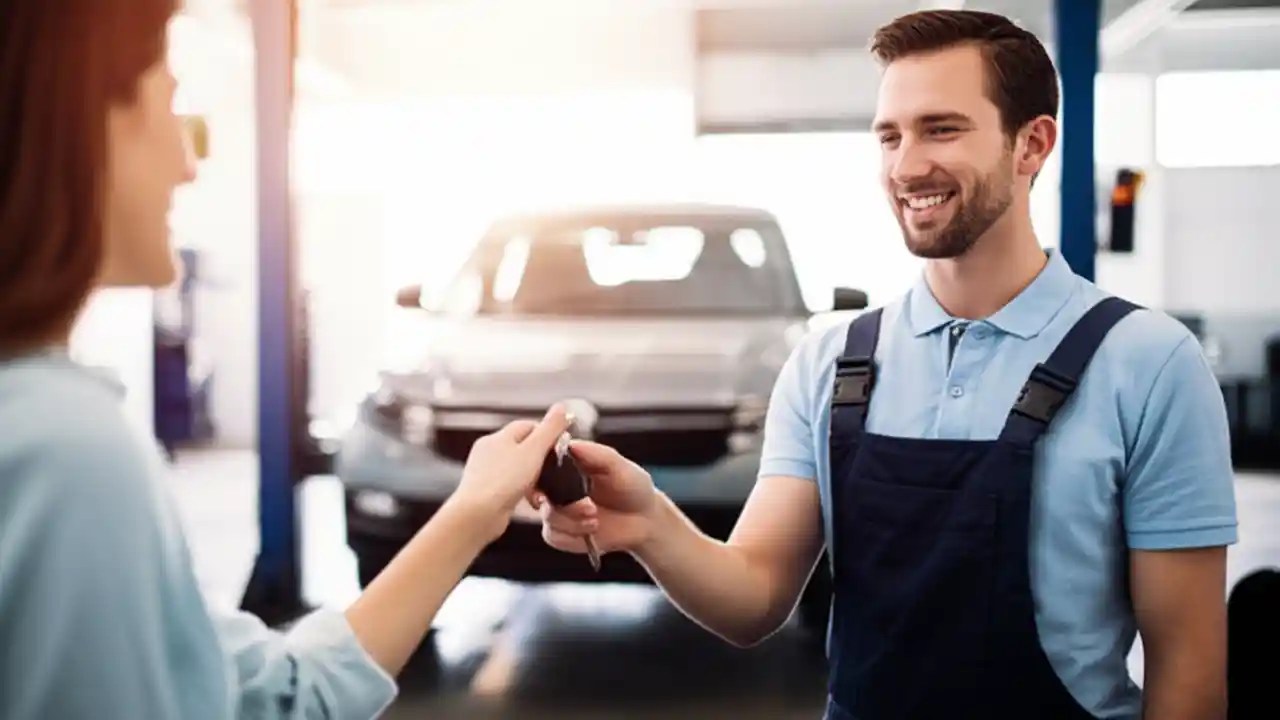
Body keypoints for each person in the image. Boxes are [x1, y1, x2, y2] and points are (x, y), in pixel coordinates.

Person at [538, 10, 1237, 720]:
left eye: (942, 129)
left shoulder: (1149, 365)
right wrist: (650, 523)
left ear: (1032, 144)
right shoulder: (830, 365)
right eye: (889, 136)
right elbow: (753, 598)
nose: (906, 166)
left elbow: (1188, 672)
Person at [0, 2, 570, 718]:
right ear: (76, 127)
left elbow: (277, 695)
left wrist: (476, 508)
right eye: (168, 106)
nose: (186, 165)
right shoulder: (65, 451)